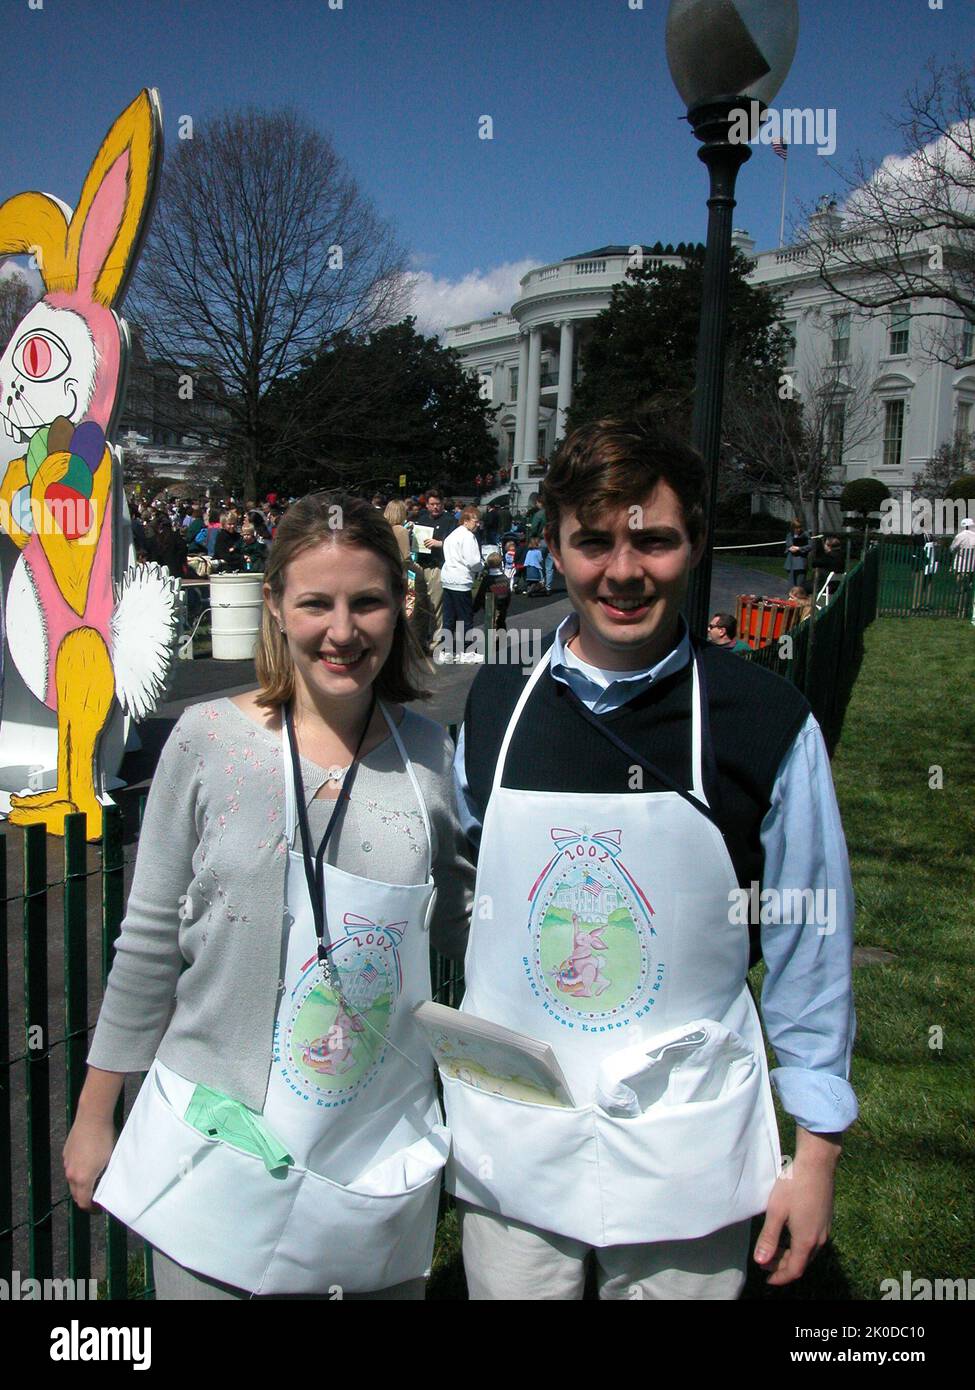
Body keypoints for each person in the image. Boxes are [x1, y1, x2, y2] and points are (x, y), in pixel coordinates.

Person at [448, 415, 856, 1300]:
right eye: (591, 542)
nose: (623, 572)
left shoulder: (765, 721)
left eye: (655, 542)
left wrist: (814, 1151)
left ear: (696, 543)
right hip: (513, 1143)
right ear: (553, 548)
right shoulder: (494, 704)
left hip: (687, 1154)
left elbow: (807, 948)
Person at [63, 492, 474, 1300]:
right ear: (277, 608)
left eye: (366, 601)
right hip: (213, 1149)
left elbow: (462, 932)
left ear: (399, 608)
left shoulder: (426, 755)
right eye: (315, 602)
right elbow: (148, 941)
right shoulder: (207, 740)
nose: (342, 630)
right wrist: (93, 1112)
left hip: (367, 1155)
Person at [440, 505, 484, 663]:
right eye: (475, 521)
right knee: (465, 617)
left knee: (449, 617)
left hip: (447, 578)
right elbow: (473, 561)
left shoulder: (452, 535)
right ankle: (466, 650)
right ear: (466, 520)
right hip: (460, 579)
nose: (477, 524)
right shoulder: (468, 537)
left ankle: (446, 650)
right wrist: (481, 565)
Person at [414, 490, 456, 650]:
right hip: (421, 565)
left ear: (442, 504)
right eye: (432, 504)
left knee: (437, 605)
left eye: (438, 504)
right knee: (421, 605)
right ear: (427, 505)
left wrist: (440, 543)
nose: (435, 507)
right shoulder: (422, 519)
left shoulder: (449, 521)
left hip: (437, 566)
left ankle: (436, 643)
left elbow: (454, 544)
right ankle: (422, 639)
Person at [784, 517, 811, 588]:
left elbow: (810, 546)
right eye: (795, 528)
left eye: (799, 527)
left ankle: (799, 598)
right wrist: (790, 548)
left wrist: (799, 548)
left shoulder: (805, 534)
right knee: (791, 586)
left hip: (800, 563)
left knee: (800, 585)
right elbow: (787, 546)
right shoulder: (789, 535)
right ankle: (791, 598)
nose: (797, 529)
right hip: (790, 562)